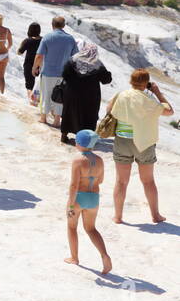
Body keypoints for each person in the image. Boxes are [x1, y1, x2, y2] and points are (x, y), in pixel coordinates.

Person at [110, 68, 174, 224]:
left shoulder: (122, 95)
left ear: (131, 81)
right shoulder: (148, 99)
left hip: (122, 140)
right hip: (144, 142)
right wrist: (158, 93)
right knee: (148, 181)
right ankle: (155, 215)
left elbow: (110, 110)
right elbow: (169, 111)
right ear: (146, 83)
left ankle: (118, 217)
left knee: (121, 181)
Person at [66, 129, 112, 276]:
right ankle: (105, 255)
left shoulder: (78, 161)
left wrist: (71, 204)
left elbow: (74, 185)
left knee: (72, 227)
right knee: (91, 229)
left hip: (79, 197)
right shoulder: (99, 160)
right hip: (94, 198)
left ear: (79, 144)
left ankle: (74, 257)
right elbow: (101, 180)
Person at [58, 43, 112, 145]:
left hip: (72, 94)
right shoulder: (97, 64)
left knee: (69, 112)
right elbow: (106, 80)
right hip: (90, 97)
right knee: (89, 115)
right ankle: (85, 141)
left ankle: (64, 135)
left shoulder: (73, 60)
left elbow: (64, 74)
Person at [33, 15, 78, 127]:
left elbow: (39, 56)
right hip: (63, 74)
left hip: (48, 72)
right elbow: (75, 56)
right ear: (63, 26)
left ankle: (43, 118)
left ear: (52, 25)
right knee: (60, 96)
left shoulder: (47, 37)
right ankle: (57, 120)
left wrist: (35, 68)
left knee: (46, 94)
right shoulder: (70, 39)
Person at [17, 22, 42, 104]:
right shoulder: (43, 40)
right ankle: (36, 99)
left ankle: (32, 101)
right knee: (38, 85)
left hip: (29, 65)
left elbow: (19, 52)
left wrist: (22, 44)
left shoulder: (27, 41)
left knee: (29, 86)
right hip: (40, 64)